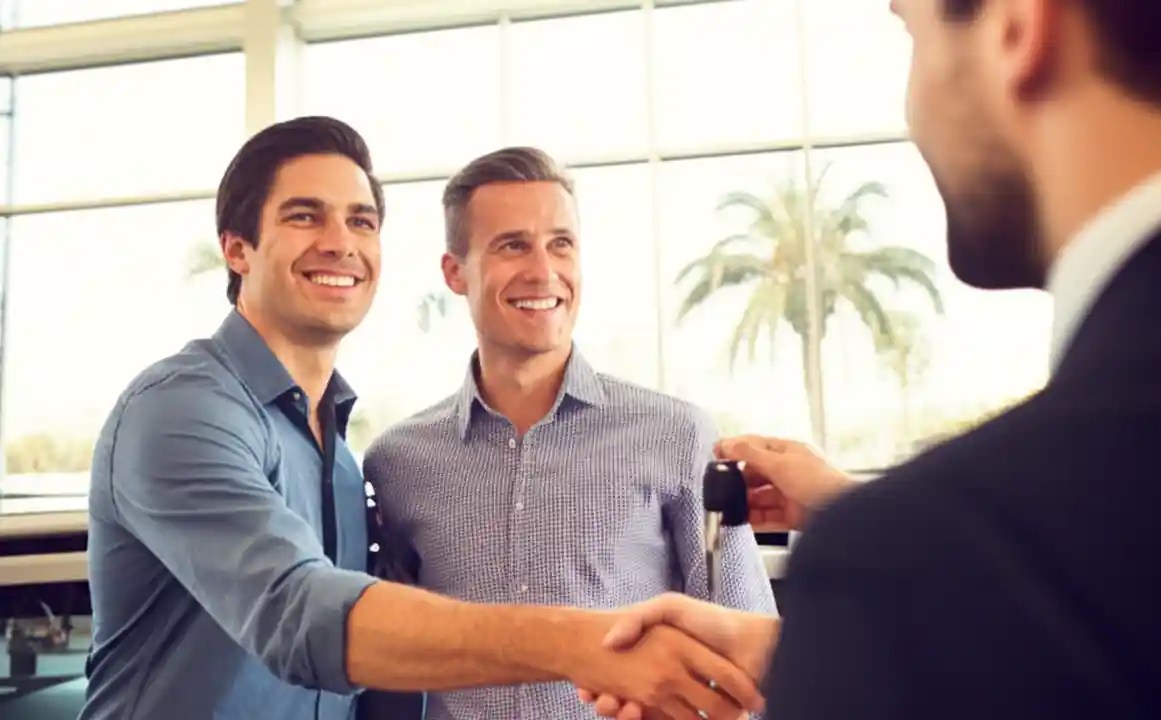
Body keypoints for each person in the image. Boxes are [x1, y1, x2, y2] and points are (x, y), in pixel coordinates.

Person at [581, 0, 1161, 717]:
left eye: (909, 30)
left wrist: (875, 628)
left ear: (1016, 27)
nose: (913, 108)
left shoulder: (910, 568)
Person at [80, 116, 763, 720]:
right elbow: (301, 613)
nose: (340, 243)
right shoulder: (181, 412)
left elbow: (752, 651)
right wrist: (591, 646)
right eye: (303, 215)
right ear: (237, 249)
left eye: (361, 221)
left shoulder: (344, 456)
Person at [360, 146, 777, 719]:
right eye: (512, 245)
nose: (543, 271)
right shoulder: (397, 462)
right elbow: (394, 654)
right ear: (455, 273)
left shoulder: (676, 434)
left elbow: (744, 642)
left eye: (561, 244)